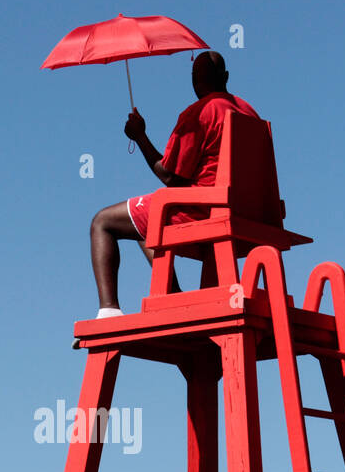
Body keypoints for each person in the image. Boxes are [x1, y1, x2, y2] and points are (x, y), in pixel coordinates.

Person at [88, 50, 260, 317]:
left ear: (194, 82)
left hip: (204, 211)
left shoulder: (200, 112)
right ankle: (173, 295)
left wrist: (140, 136)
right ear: (225, 77)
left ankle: (109, 310)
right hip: (248, 212)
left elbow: (169, 176)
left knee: (103, 221)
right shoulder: (250, 112)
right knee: (141, 220)